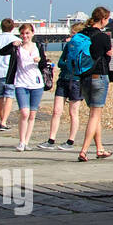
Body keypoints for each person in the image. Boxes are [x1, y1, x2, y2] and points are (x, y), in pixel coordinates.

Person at [0, 23, 48, 151]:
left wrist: (39, 60)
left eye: (27, 33)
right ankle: (21, 141)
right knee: (24, 113)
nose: (25, 36)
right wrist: (12, 44)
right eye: (22, 33)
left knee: (32, 114)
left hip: (36, 83)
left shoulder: (38, 46)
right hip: (21, 82)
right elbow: (1, 52)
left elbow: (44, 63)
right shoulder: (17, 47)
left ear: (32, 33)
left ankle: (26, 142)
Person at [76, 7, 113, 162]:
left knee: (94, 114)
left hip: (83, 78)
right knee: (94, 115)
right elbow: (107, 58)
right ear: (103, 19)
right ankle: (84, 150)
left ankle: (100, 148)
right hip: (99, 76)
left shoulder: (81, 34)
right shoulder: (103, 37)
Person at [38, 22, 84, 150]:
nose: (72, 36)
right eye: (71, 33)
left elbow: (84, 64)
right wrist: (69, 64)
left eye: (74, 33)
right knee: (56, 111)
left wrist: (70, 65)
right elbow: (60, 62)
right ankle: (51, 139)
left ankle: (71, 141)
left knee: (73, 112)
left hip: (76, 81)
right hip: (63, 79)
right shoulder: (69, 46)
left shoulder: (85, 46)